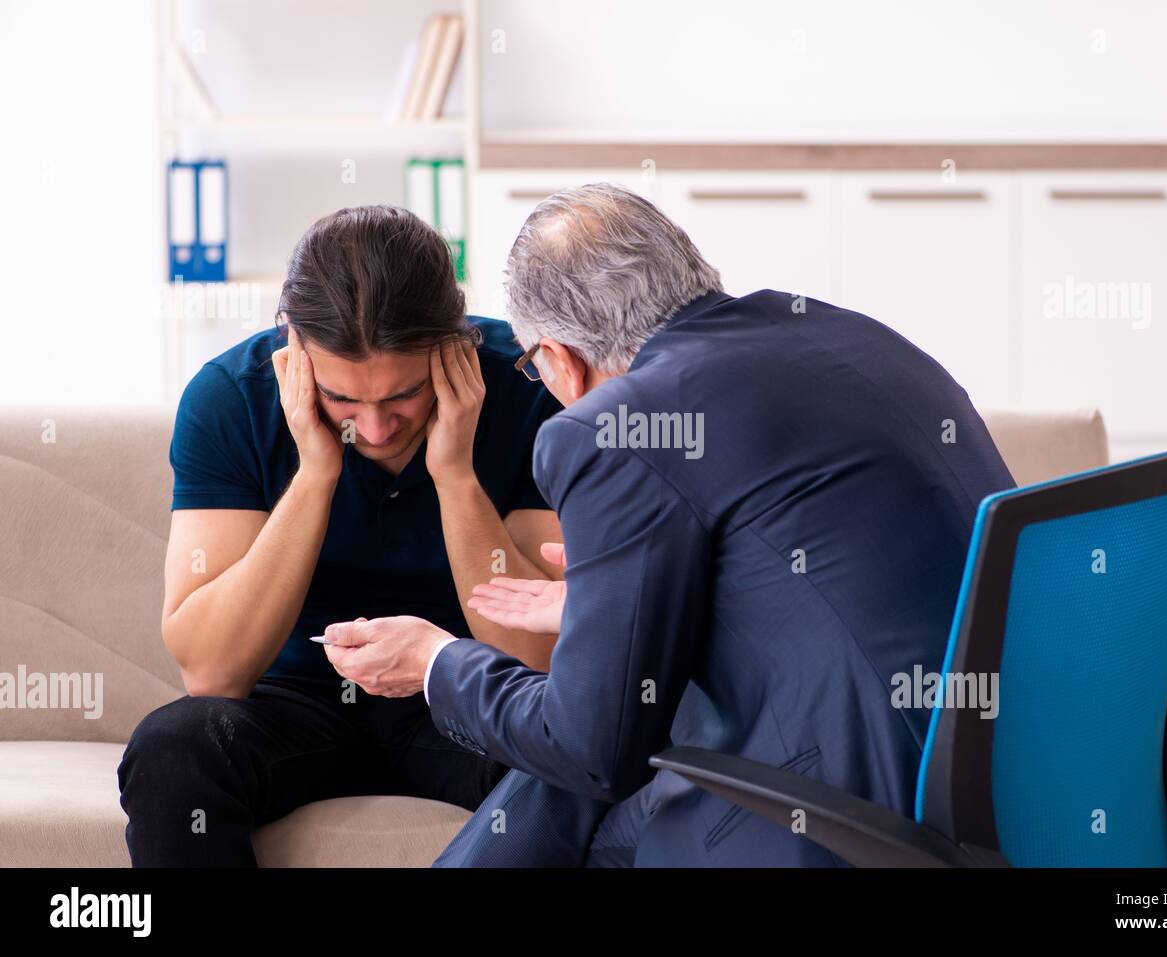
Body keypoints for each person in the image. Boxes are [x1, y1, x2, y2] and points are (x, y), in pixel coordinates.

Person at [318, 184, 1015, 866]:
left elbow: (589, 748)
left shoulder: (616, 425)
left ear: (559, 358)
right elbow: (817, 571)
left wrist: (437, 662)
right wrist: (608, 611)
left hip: (853, 811)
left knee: (568, 782)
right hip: (1013, 771)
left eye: (535, 368)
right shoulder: (855, 337)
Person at [117, 205, 563, 867]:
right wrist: (316, 472)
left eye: (404, 395)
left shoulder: (530, 390)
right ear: (294, 349)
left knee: (569, 753)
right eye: (343, 399)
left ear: (457, 343)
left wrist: (455, 474)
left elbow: (541, 661)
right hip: (296, 701)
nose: (376, 429)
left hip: (465, 687)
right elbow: (211, 670)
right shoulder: (229, 398)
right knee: (172, 748)